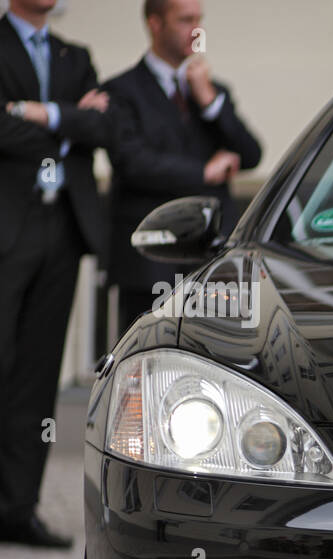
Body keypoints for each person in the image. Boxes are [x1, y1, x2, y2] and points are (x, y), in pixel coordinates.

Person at [0, 0, 111, 548]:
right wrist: (71, 119)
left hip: (62, 231)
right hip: (6, 231)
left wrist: (38, 113)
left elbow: (104, 125)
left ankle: (17, 510)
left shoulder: (76, 56)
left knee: (37, 378)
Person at [104, 0, 261, 322]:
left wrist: (210, 103)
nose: (196, 30)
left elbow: (251, 153)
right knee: (147, 357)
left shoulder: (212, 91)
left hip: (211, 259)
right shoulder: (121, 91)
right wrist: (204, 171)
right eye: (185, 20)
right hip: (150, 259)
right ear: (155, 24)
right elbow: (133, 163)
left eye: (199, 20)